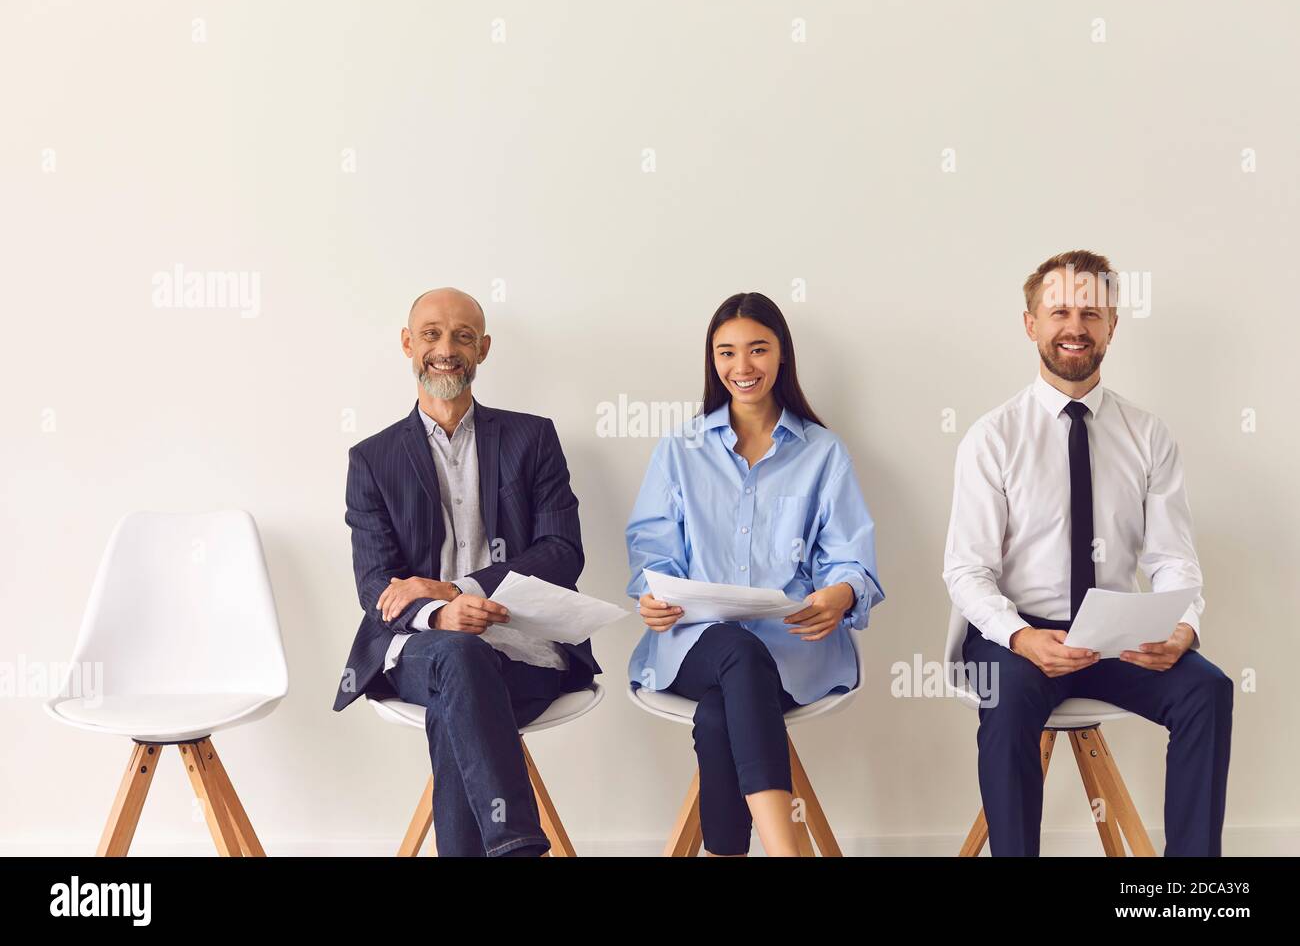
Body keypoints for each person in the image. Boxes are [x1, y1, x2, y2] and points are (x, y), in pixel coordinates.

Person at [943, 250, 1232, 856]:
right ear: (1031, 323)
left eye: (1091, 313)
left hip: (1110, 634)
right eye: (1059, 311)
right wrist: (1020, 637)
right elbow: (967, 571)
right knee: (1008, 698)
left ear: (1112, 326)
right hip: (1013, 636)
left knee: (1208, 690)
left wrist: (1183, 626)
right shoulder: (993, 438)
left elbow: (1173, 557)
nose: (1075, 326)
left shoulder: (1147, 435)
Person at [332, 287, 600, 856]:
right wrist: (440, 612)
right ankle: (518, 843)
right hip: (422, 648)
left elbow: (562, 551)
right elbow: (374, 584)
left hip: (524, 649)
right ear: (408, 343)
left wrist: (461, 588)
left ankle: (511, 843)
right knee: (459, 654)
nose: (445, 349)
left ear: (483, 348)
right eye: (431, 334)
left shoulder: (533, 439)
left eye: (462, 336)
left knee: (460, 703)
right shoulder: (373, 460)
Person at [626, 291, 884, 857]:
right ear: (712, 361)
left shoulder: (824, 452)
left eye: (758, 350)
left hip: (791, 646)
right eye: (726, 353)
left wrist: (840, 594)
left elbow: (850, 559)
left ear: (782, 355)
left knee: (722, 715)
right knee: (735, 655)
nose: (742, 368)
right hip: (692, 643)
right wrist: (652, 594)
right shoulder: (680, 450)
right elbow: (653, 553)